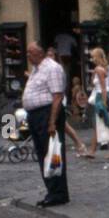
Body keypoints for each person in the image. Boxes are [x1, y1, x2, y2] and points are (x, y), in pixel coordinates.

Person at [22, 42, 69, 207]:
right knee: (43, 153)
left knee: (52, 153)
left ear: (39, 53)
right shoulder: (37, 69)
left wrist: (52, 121)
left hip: (46, 113)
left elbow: (57, 96)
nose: (27, 55)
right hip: (35, 115)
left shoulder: (52, 68)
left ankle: (58, 193)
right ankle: (51, 191)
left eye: (30, 52)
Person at [84, 47, 109, 160]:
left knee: (102, 121)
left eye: (93, 56)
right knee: (104, 121)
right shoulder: (99, 69)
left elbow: (104, 88)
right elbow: (94, 84)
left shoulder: (100, 69)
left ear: (97, 57)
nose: (92, 59)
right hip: (100, 96)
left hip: (102, 97)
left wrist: (104, 102)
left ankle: (92, 150)